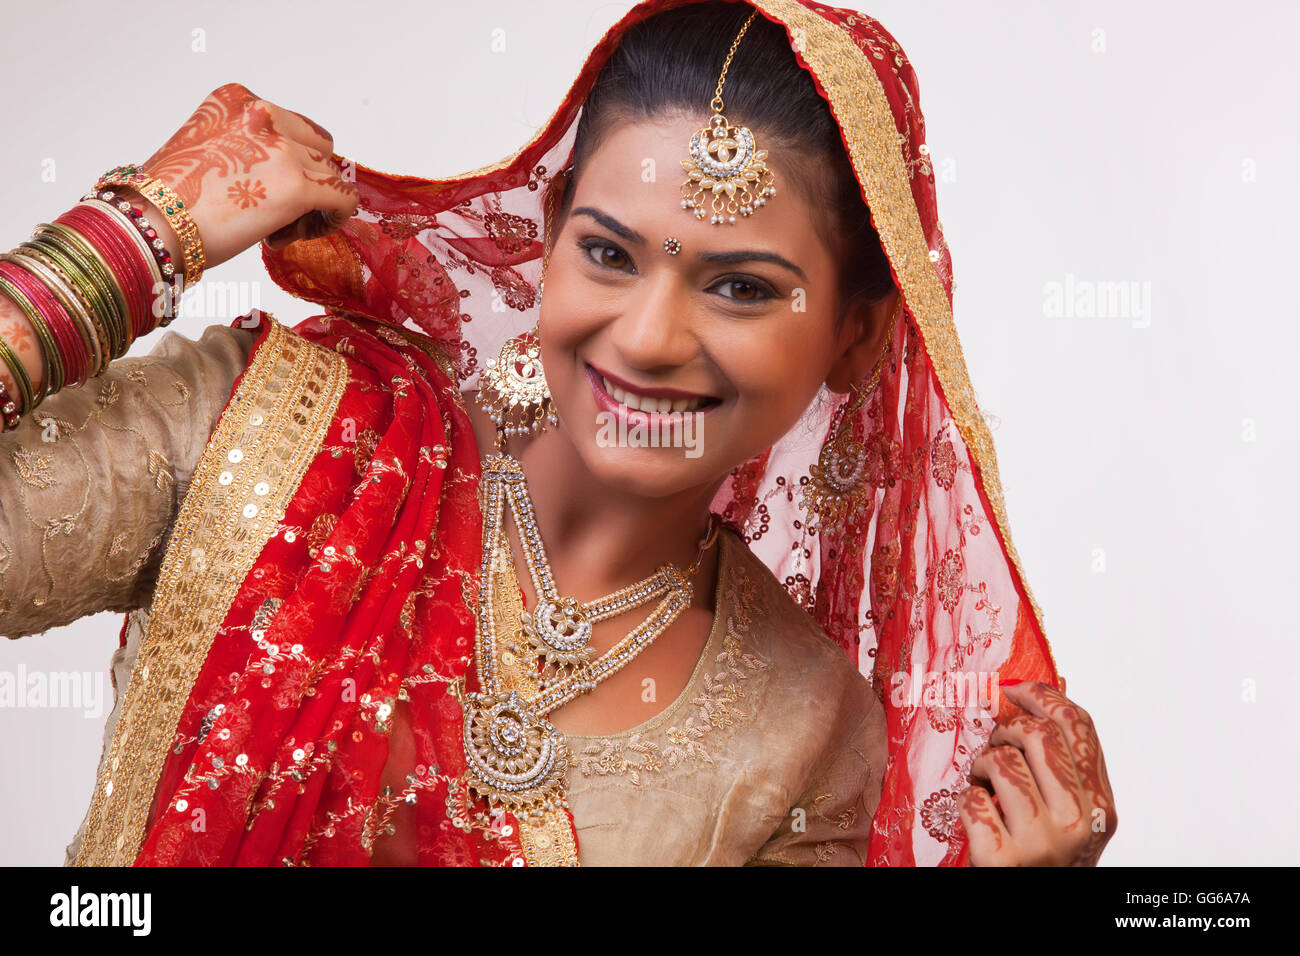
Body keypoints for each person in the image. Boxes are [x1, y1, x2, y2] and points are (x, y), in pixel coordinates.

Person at [0, 0, 1115, 866]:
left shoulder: (808, 724)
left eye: (737, 285)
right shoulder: (275, 421)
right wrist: (135, 235)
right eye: (608, 253)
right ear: (546, 234)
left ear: (859, 338)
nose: (647, 336)